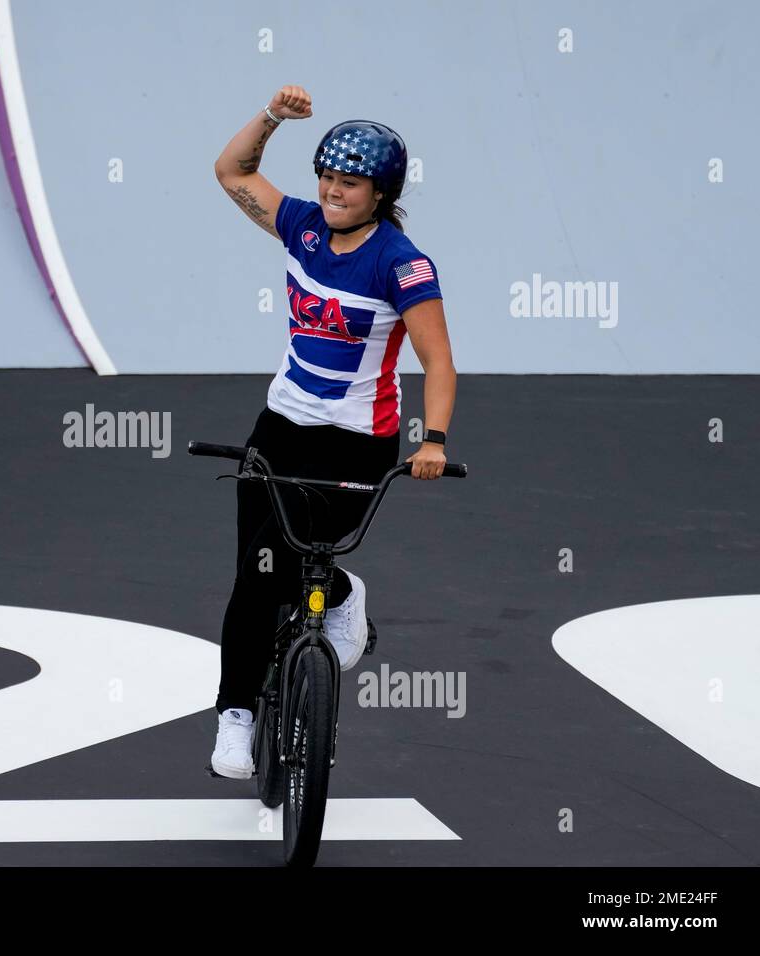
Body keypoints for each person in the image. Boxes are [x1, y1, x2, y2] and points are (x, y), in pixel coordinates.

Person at [208, 86, 457, 779]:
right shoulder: (302, 227)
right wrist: (272, 118)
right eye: (325, 177)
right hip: (278, 429)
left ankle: (341, 593)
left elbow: (438, 361)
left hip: (355, 442)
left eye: (348, 183)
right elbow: (232, 172)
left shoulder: (402, 265)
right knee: (257, 573)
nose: (331, 191)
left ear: (380, 193)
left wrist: (431, 439)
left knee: (297, 559)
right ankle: (236, 715)